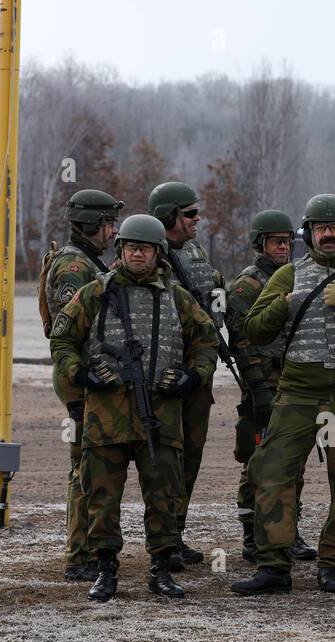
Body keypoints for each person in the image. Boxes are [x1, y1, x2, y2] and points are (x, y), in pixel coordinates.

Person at [231, 193, 335, 595]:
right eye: (321, 228)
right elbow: (254, 330)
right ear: (308, 233)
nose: (328, 234)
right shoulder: (287, 275)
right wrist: (281, 306)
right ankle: (273, 566)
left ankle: (333, 564)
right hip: (298, 391)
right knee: (272, 473)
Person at [49, 214, 218, 601]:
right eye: (129, 247)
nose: (136, 254)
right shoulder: (95, 293)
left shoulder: (177, 298)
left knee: (164, 496)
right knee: (101, 498)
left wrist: (193, 377)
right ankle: (105, 570)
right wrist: (82, 374)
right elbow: (62, 340)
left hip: (160, 416)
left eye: (143, 248)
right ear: (120, 249)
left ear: (158, 252)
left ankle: (160, 569)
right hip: (105, 419)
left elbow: (206, 341)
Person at [38, 188, 123, 581]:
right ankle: (80, 555)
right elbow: (69, 328)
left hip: (89, 375)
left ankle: (84, 550)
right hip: (81, 378)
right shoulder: (75, 267)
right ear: (91, 225)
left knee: (89, 463)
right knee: (85, 466)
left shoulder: (87, 261)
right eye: (108, 223)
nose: (113, 230)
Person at [224, 209, 317, 562]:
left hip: (294, 385)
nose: (283, 248)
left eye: (287, 242)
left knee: (292, 463)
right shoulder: (248, 285)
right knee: (257, 463)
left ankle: (287, 530)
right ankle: (252, 534)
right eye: (276, 242)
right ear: (260, 244)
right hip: (263, 389)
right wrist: (258, 389)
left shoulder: (295, 278)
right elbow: (241, 341)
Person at [148, 181, 224, 568]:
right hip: (160, 377)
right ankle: (160, 539)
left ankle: (175, 531)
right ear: (168, 217)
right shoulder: (145, 253)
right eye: (190, 213)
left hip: (198, 371)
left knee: (190, 456)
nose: (198, 219)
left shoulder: (194, 251)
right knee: (163, 459)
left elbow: (214, 293)